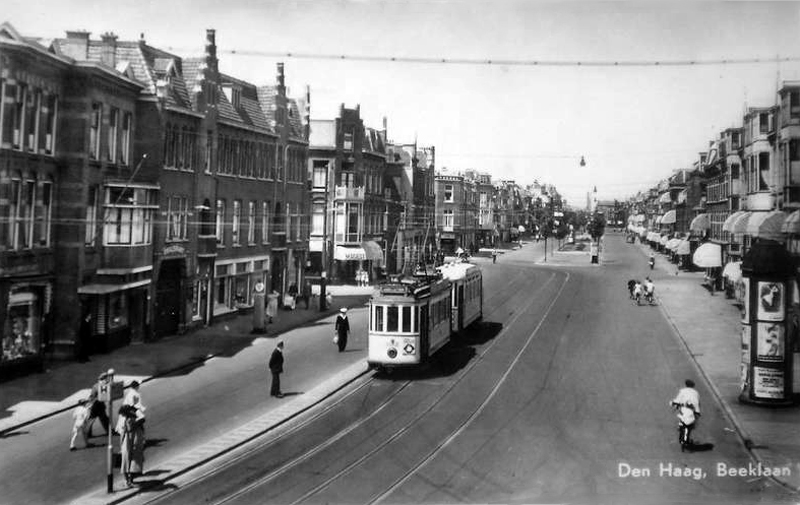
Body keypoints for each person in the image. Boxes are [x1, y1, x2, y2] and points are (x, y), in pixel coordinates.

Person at [117, 404, 145, 487]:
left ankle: (128, 480)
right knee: (129, 460)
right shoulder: (133, 420)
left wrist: (121, 445)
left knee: (129, 460)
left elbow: (123, 433)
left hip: (130, 441)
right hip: (130, 441)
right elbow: (124, 432)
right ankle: (129, 481)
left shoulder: (129, 419)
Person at [670, 379, 701, 447]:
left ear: (686, 385)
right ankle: (688, 432)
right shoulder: (696, 393)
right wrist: (698, 412)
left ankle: (680, 425)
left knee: (681, 414)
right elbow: (698, 403)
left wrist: (674, 403)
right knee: (693, 423)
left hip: (684, 408)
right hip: (693, 409)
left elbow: (678, 400)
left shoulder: (683, 391)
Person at [87, 372, 110, 437]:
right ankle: (88, 433)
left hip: (100, 405)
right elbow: (92, 396)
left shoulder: (103, 385)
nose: (106, 380)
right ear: (102, 379)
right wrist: (90, 404)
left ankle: (109, 431)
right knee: (92, 419)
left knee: (104, 419)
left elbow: (104, 396)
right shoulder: (96, 386)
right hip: (95, 405)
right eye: (105, 379)